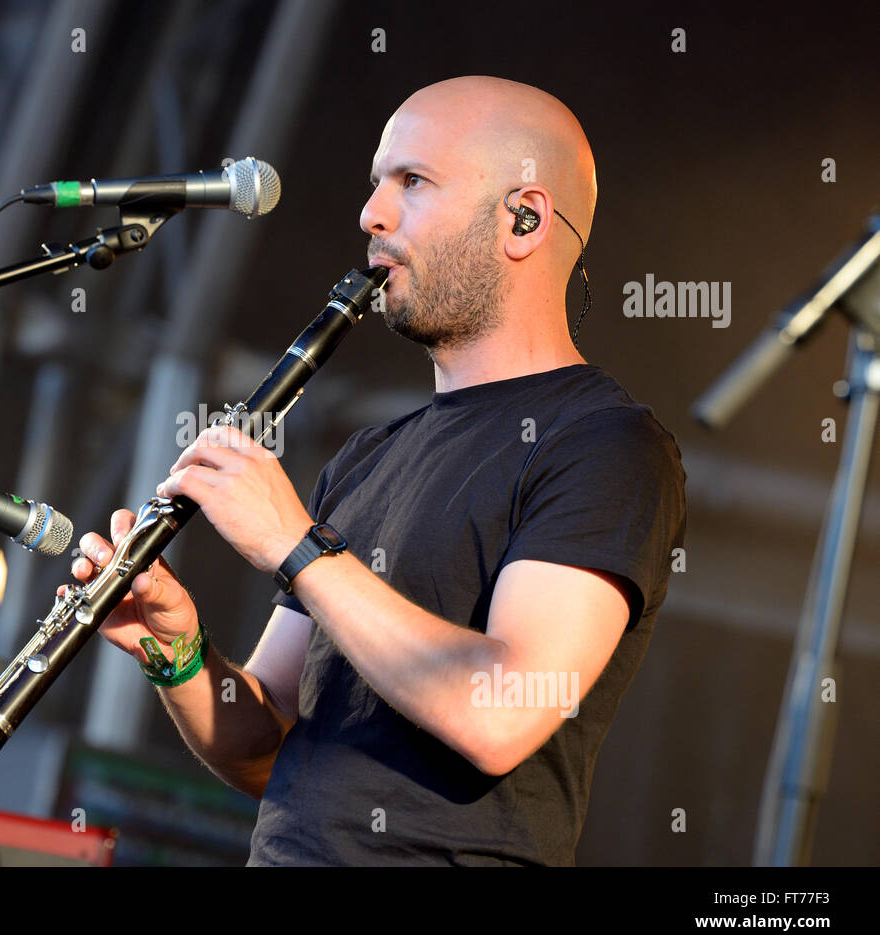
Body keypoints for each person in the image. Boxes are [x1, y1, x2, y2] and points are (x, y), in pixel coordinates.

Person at [69, 76, 687, 865]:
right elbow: (267, 750)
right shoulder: (369, 457)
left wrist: (297, 545)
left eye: (413, 182)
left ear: (524, 217)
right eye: (376, 183)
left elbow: (501, 713)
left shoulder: (606, 445)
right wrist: (180, 652)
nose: (371, 214)